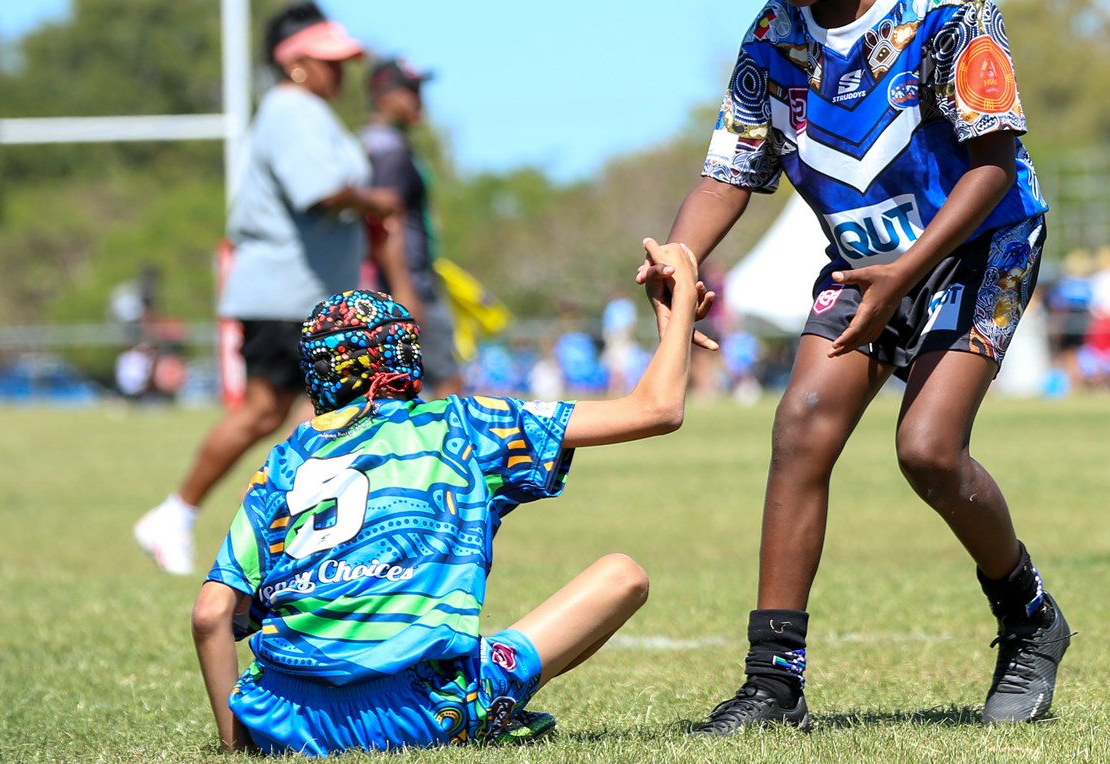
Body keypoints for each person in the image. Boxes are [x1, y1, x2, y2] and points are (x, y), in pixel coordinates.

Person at [637, 0, 1072, 733]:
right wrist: (679, 259)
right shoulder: (773, 35)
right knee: (801, 424)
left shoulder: (950, 15)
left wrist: (905, 275)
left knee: (928, 449)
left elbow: (995, 167)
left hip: (983, 243)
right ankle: (774, 684)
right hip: (866, 258)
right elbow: (727, 174)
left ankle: (1030, 619)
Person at [191, 240, 705, 755]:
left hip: (286, 717)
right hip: (423, 710)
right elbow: (656, 410)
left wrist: (238, 748)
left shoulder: (284, 461)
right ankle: (492, 708)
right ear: (405, 354)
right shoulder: (461, 424)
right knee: (621, 576)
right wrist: (680, 305)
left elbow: (212, 613)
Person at [134, 1, 400, 575]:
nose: (341, 71)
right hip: (285, 295)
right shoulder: (290, 109)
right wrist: (377, 201)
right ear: (294, 62)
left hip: (302, 294)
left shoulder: (309, 112)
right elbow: (322, 190)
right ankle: (183, 516)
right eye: (329, 61)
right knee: (275, 412)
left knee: (310, 413)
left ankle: (255, 519)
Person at [361, 58, 464, 400]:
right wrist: (404, 289)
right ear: (382, 96)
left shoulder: (377, 143)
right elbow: (385, 220)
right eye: (409, 92)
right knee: (449, 388)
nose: (419, 101)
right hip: (405, 283)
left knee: (380, 389)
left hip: (394, 283)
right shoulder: (389, 150)